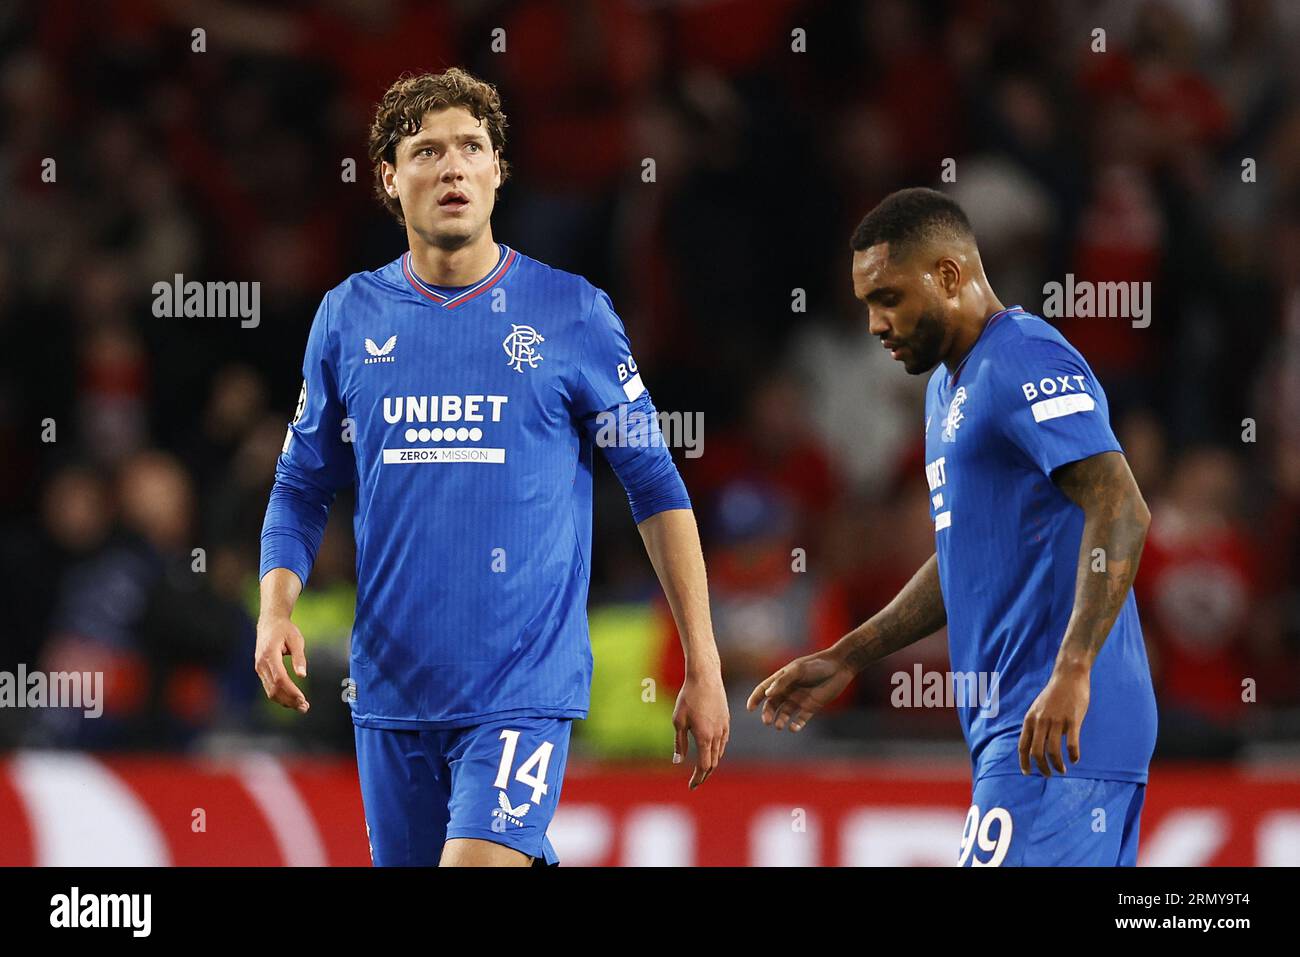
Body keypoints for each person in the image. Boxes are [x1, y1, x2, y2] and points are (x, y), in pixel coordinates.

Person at [255, 67, 728, 867]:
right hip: (391, 691)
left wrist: (703, 663)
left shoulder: (571, 312)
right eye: (427, 151)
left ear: (498, 170)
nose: (452, 167)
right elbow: (302, 482)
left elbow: (657, 488)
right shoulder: (348, 316)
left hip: (520, 685)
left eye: (471, 147)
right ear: (388, 179)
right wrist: (276, 609)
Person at [749, 188, 1157, 867]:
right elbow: (964, 557)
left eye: (888, 298)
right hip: (1032, 730)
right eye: (865, 305)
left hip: (1053, 725)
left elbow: (1121, 506)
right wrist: (850, 653)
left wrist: (1073, 669)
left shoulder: (1023, 357)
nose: (876, 323)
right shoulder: (947, 391)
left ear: (946, 275)